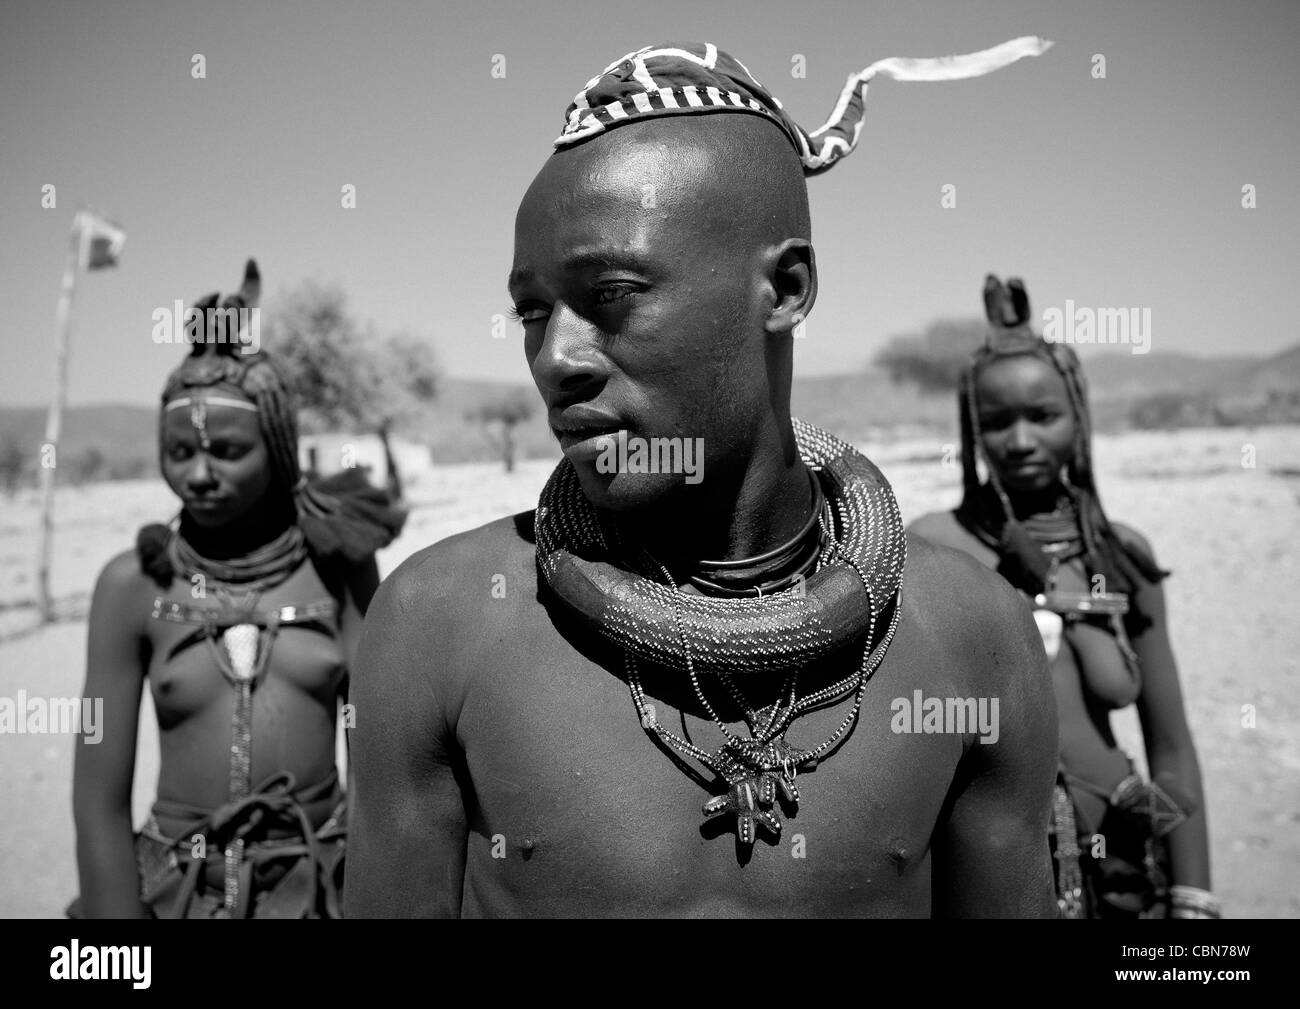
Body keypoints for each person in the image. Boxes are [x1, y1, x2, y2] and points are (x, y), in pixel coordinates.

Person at [347, 40, 1063, 917]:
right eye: (533, 311)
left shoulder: (972, 637)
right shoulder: (438, 626)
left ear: (787, 289)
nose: (553, 358)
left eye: (611, 293)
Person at [71, 260, 405, 918]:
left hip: (318, 886)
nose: (197, 474)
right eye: (179, 452)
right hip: (174, 890)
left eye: (225, 451)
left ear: (277, 449)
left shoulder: (339, 567)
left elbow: (378, 763)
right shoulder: (133, 585)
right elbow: (96, 802)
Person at [909, 275, 1216, 919]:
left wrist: (1194, 900)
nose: (1019, 442)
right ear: (973, 432)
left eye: (1042, 417)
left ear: (1079, 419)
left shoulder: (1122, 558)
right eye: (997, 422)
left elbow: (1172, 744)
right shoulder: (934, 550)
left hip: (1125, 862)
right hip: (989, 873)